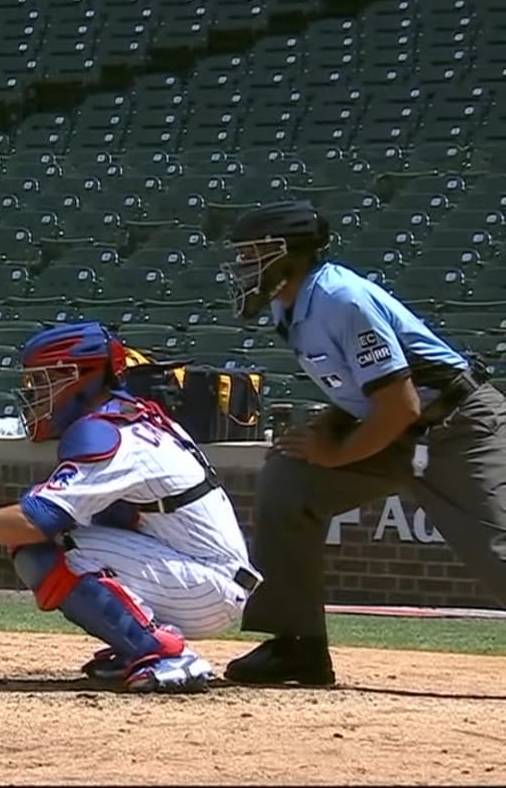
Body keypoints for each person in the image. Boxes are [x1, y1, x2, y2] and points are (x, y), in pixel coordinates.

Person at [0, 321, 263, 693]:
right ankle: (137, 641)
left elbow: (34, 522)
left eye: (42, 381)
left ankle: (164, 652)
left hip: (208, 587)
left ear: (79, 378)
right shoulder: (130, 420)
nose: (35, 394)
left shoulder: (110, 433)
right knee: (56, 533)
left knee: (44, 546)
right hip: (203, 575)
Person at [217, 199, 506, 686]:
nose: (244, 267)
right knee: (289, 481)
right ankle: (297, 646)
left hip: (460, 430)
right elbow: (373, 394)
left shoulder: (340, 298)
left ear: (289, 253)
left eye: (253, 254)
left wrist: (335, 451)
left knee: (498, 553)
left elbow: (401, 405)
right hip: (396, 428)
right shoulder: (291, 306)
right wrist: (330, 424)